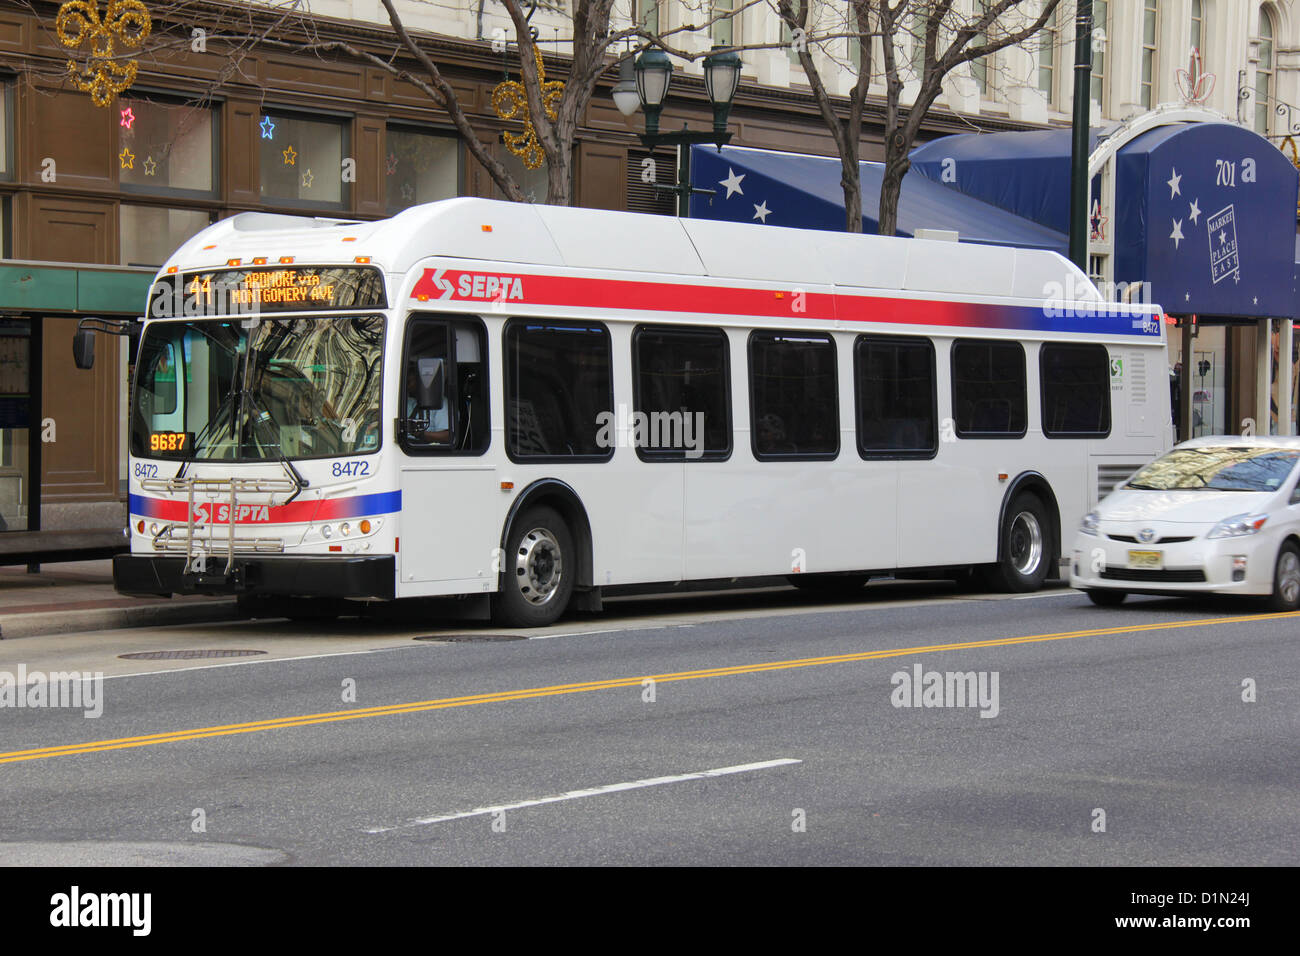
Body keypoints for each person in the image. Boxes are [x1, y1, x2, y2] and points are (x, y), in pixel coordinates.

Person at [405, 359, 450, 444]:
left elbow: (447, 436)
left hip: (425, 451)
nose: (407, 386)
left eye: (409, 382)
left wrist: (421, 434)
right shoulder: (405, 402)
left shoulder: (442, 403)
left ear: (420, 381)